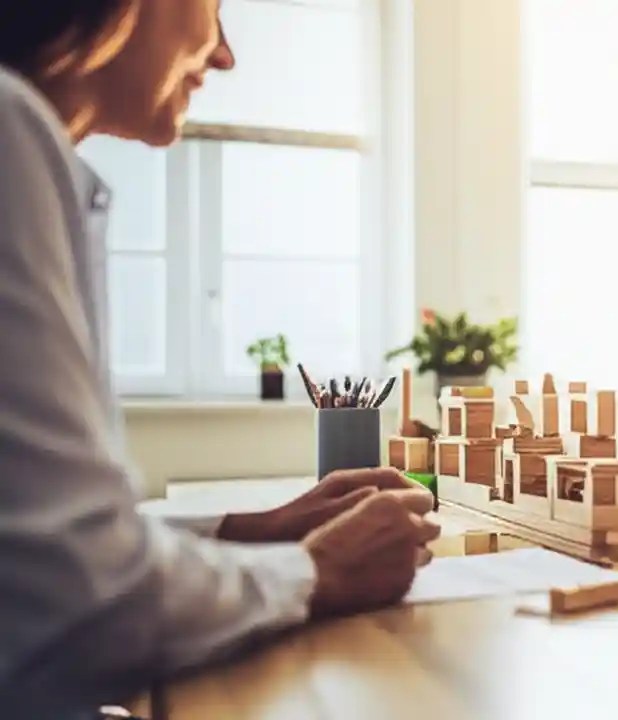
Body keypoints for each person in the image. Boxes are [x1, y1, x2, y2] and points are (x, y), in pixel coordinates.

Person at [0, 2, 440, 716]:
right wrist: (315, 571)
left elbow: (24, 557)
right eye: (213, 6)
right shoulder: (9, 130)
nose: (225, 54)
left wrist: (247, 531)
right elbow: (78, 603)